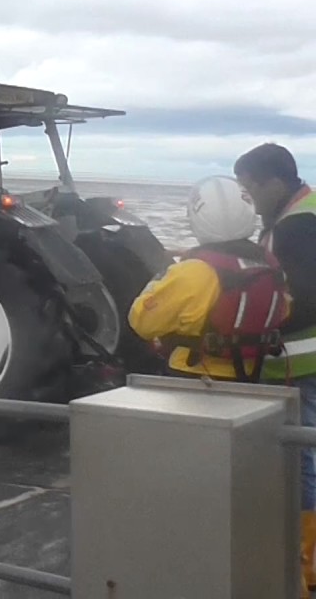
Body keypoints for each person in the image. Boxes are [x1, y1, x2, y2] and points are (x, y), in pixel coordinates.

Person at [234, 143, 316, 589]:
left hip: (301, 365)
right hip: (303, 363)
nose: (247, 199)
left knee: (303, 464)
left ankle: (305, 566)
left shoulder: (297, 226)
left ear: (275, 184)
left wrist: (250, 317)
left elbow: (301, 299)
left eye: (249, 189)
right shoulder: (297, 213)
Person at [128, 175, 290, 382]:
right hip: (252, 375)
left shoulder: (193, 272)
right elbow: (284, 311)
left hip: (193, 375)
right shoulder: (270, 266)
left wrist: (160, 278)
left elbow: (142, 323)